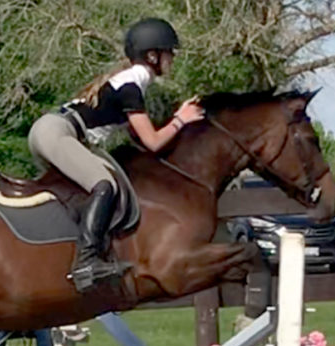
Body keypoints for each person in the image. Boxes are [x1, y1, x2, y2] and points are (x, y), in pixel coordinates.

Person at [27, 17, 205, 291]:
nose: (173, 59)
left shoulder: (128, 82)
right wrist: (181, 119)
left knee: (82, 191)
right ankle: (86, 263)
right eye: (169, 53)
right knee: (105, 184)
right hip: (57, 133)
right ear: (153, 55)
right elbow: (154, 142)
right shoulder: (131, 86)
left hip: (51, 131)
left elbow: (140, 141)